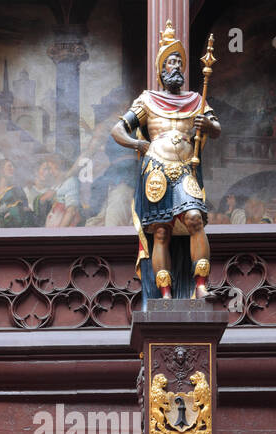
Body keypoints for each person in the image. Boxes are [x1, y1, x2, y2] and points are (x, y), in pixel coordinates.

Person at [110, 20, 222, 299]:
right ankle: (165, 293)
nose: (174, 66)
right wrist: (139, 143)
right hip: (156, 168)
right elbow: (117, 129)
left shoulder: (197, 100)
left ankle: (200, 287)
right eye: (169, 62)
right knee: (161, 232)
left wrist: (206, 126)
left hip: (184, 170)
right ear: (161, 71)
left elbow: (217, 129)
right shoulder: (147, 100)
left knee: (195, 218)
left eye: (178, 62)